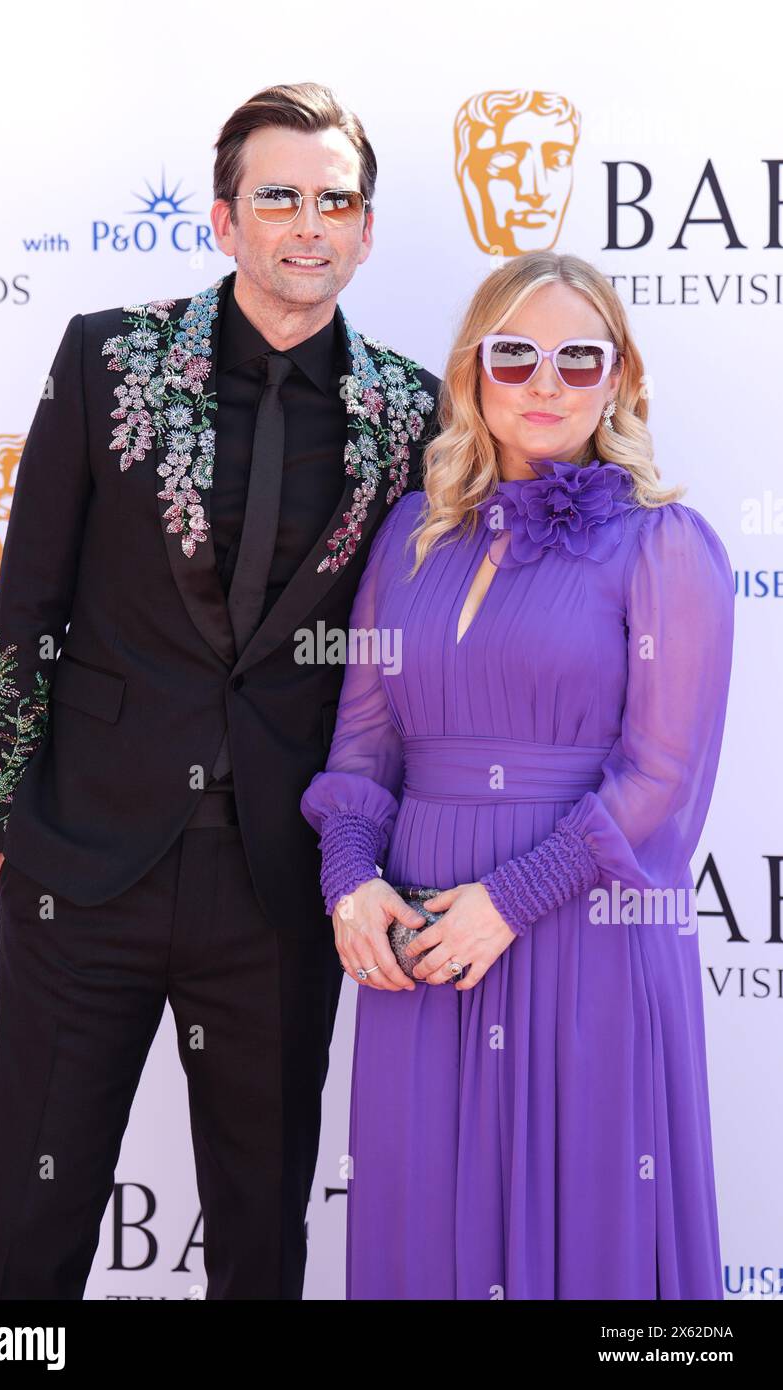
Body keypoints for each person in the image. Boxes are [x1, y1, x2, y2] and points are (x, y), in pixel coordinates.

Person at [0, 81, 441, 1300]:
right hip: (87, 867)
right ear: (225, 218)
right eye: (277, 195)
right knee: (30, 1228)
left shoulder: (408, 413)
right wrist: (2, 823)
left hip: (279, 891)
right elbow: (29, 607)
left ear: (365, 230)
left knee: (258, 1234)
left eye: (335, 200)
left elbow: (403, 657)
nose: (307, 223)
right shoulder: (108, 358)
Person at [300, 249, 735, 1300]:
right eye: (515, 355)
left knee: (584, 1226)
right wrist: (350, 878)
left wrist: (506, 900)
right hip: (417, 949)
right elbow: (362, 745)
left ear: (619, 379)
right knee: (423, 1226)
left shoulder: (662, 545)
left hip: (579, 934)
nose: (545, 383)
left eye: (577, 358)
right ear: (472, 373)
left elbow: (661, 783)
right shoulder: (410, 534)